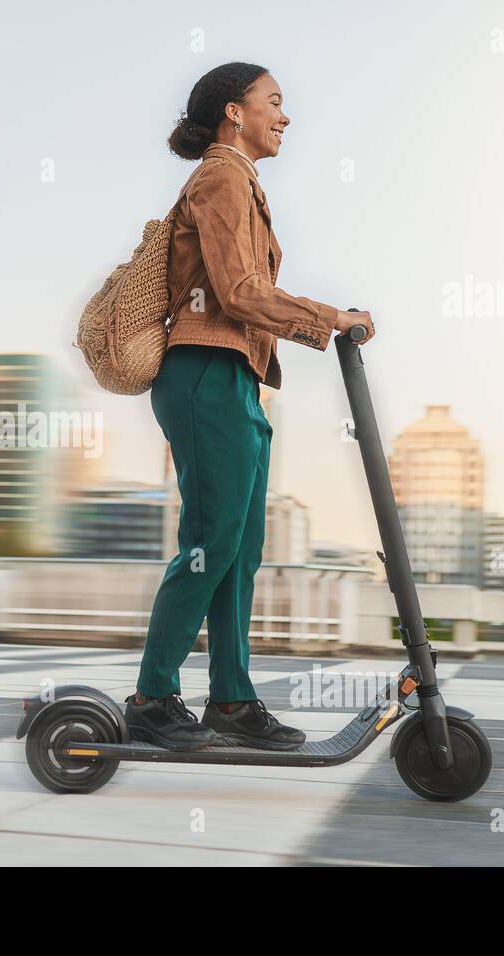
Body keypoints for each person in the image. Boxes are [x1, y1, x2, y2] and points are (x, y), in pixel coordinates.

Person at [126, 62, 374, 752]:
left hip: (235, 377)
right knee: (211, 541)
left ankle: (232, 702)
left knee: (239, 550)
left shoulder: (243, 181)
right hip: (204, 373)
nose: (285, 115)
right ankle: (151, 696)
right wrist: (330, 319)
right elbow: (237, 290)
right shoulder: (222, 175)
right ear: (236, 112)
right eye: (275, 102)